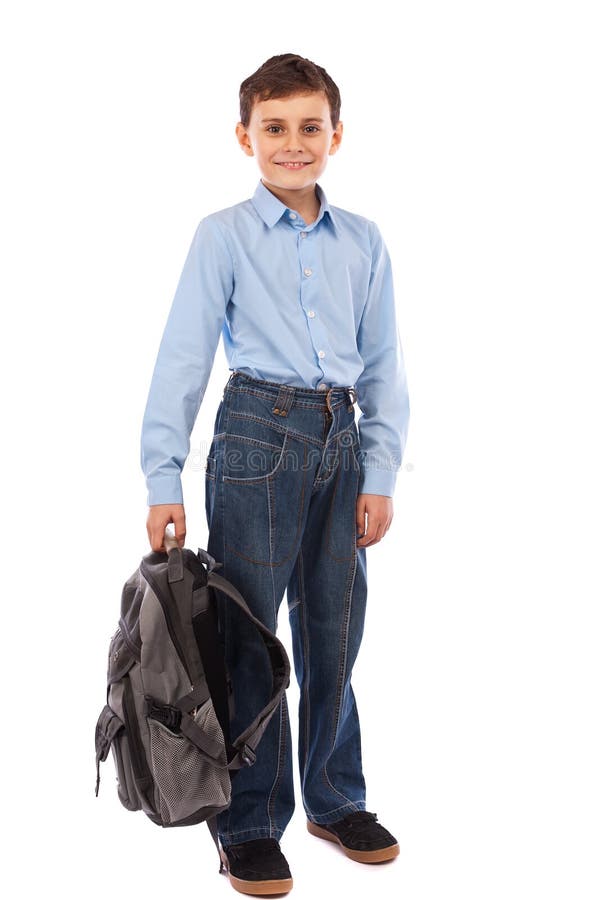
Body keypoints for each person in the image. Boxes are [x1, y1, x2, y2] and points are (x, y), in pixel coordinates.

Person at [140, 53, 410, 897]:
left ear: (336, 133)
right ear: (244, 136)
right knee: (251, 635)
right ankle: (251, 821)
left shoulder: (363, 240)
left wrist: (381, 468)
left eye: (309, 127)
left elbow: (385, 367)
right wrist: (163, 477)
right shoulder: (222, 235)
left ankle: (333, 795)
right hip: (259, 435)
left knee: (333, 629)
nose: (293, 144)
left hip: (343, 440)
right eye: (274, 128)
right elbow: (183, 357)